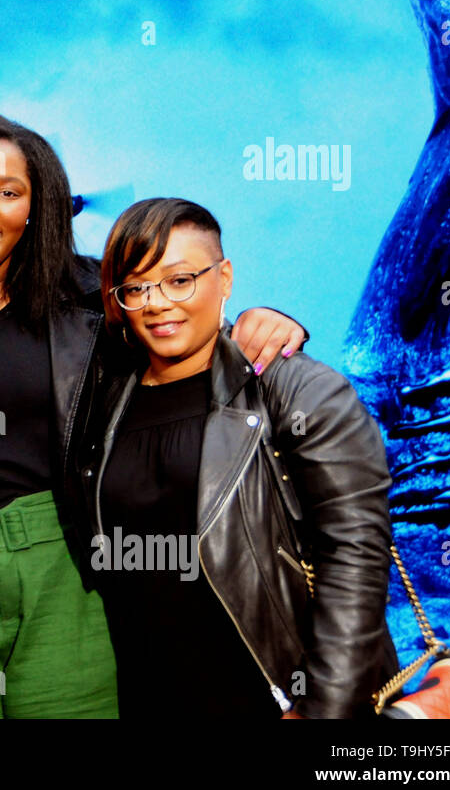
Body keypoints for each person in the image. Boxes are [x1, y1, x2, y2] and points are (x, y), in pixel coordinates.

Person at [0, 109, 308, 717]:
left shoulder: (85, 300)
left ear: (34, 209)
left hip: (67, 571)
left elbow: (180, 332)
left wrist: (263, 325)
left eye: (8, 191)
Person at [91, 197, 397, 718]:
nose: (158, 302)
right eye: (136, 287)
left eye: (180, 279)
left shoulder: (296, 389)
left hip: (279, 700)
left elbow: (356, 557)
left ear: (224, 277)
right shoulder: (106, 397)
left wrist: (325, 709)